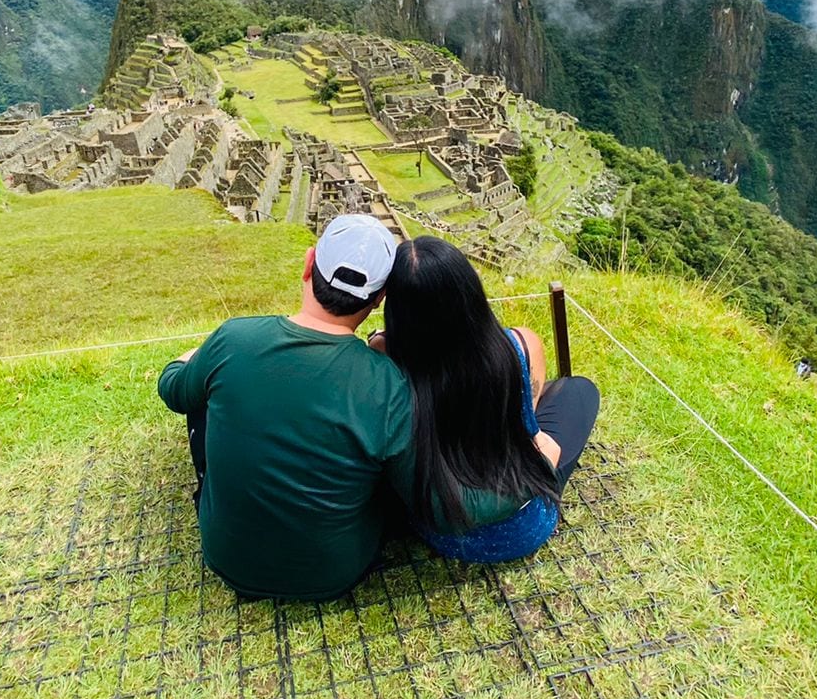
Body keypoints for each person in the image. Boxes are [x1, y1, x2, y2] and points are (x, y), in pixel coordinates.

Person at [157, 214, 413, 601]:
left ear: (309, 264)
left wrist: (190, 359)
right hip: (334, 573)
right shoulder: (387, 381)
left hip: (228, 560)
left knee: (204, 395)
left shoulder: (233, 339)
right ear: (379, 298)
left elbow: (173, 390)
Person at [376, 235, 600, 563]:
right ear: (470, 291)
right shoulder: (517, 346)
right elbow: (529, 415)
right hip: (522, 528)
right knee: (580, 390)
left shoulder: (384, 364)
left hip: (438, 531)